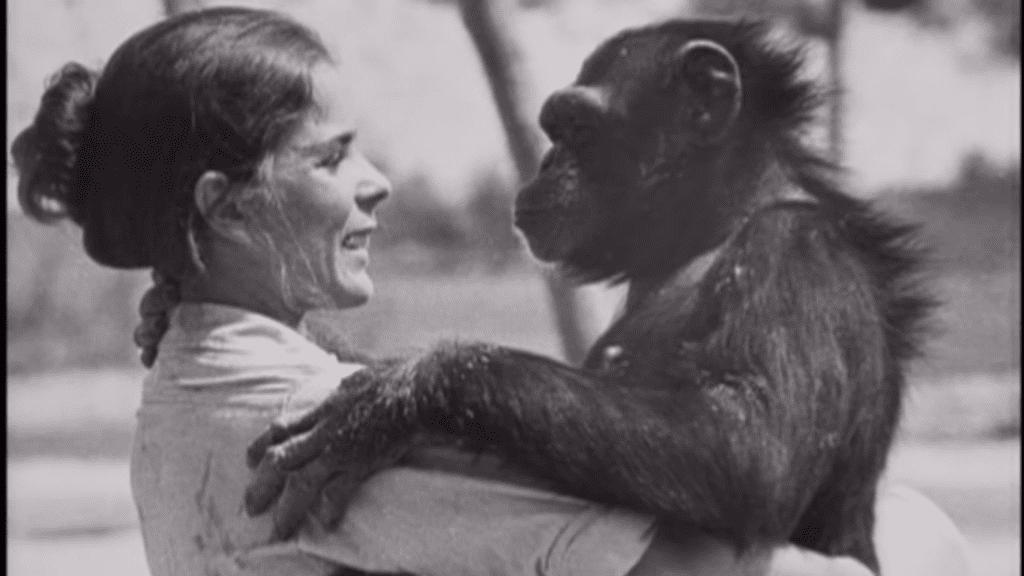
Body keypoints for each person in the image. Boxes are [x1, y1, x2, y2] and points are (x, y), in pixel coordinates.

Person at [10, 6, 971, 576]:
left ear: (704, 108)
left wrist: (442, 378)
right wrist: (377, 379)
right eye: (335, 156)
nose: (378, 180)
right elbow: (585, 467)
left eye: (579, 138)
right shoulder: (692, 273)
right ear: (218, 209)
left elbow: (738, 475)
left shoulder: (792, 254)